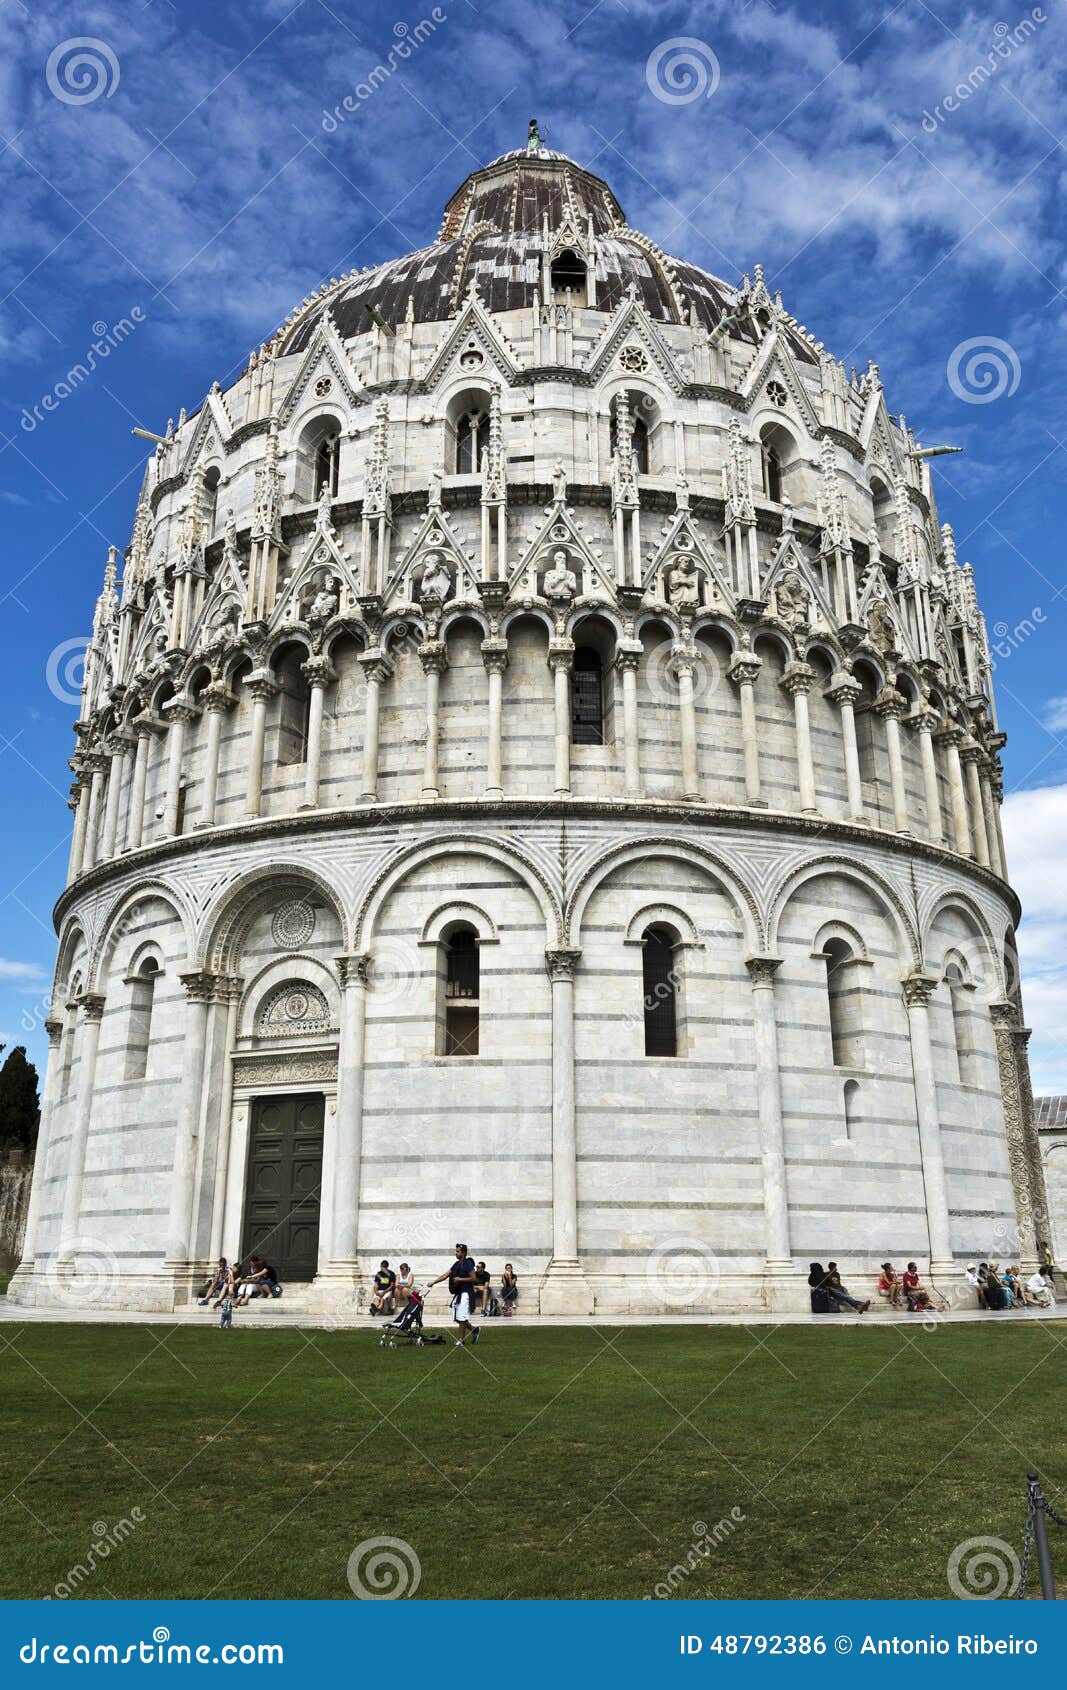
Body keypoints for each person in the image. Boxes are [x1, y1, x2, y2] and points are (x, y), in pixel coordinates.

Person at [427, 1242, 480, 1346]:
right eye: (456, 1251)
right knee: (457, 1317)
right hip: (459, 1294)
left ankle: (461, 1340)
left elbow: (474, 1278)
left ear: (463, 1253)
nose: (456, 1253)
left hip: (466, 1294)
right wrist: (433, 1282)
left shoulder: (468, 1264)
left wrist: (460, 1279)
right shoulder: (456, 1264)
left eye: (457, 1251)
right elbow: (446, 1275)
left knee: (462, 1317)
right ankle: (474, 1330)